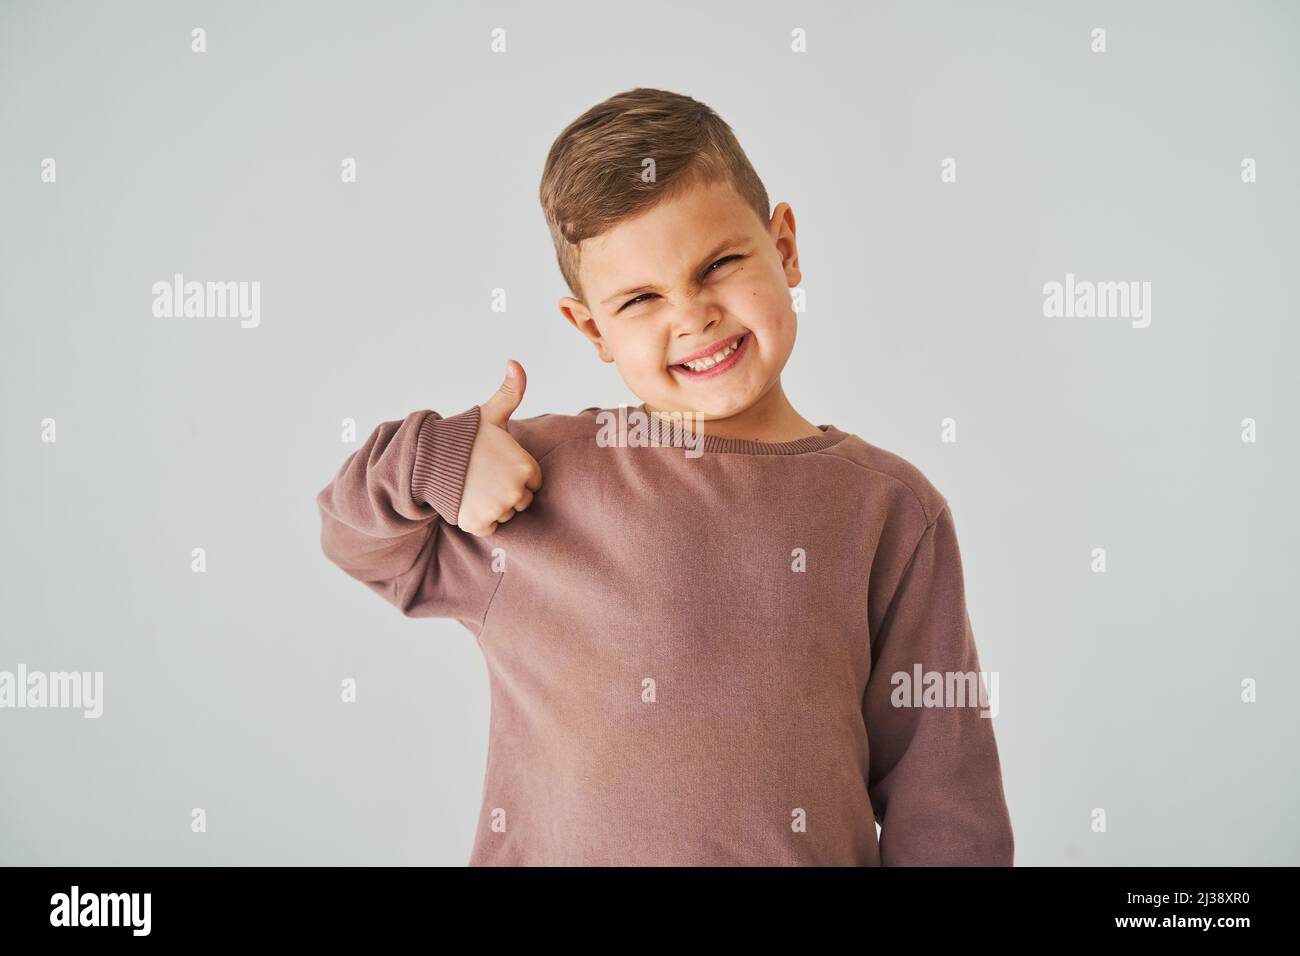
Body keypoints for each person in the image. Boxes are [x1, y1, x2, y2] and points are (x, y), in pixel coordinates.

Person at [316, 87, 1014, 866]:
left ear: (784, 247)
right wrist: (437, 461)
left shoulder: (891, 510)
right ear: (592, 329)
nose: (692, 316)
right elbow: (354, 535)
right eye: (641, 298)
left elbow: (943, 789)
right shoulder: (534, 479)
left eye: (718, 264)